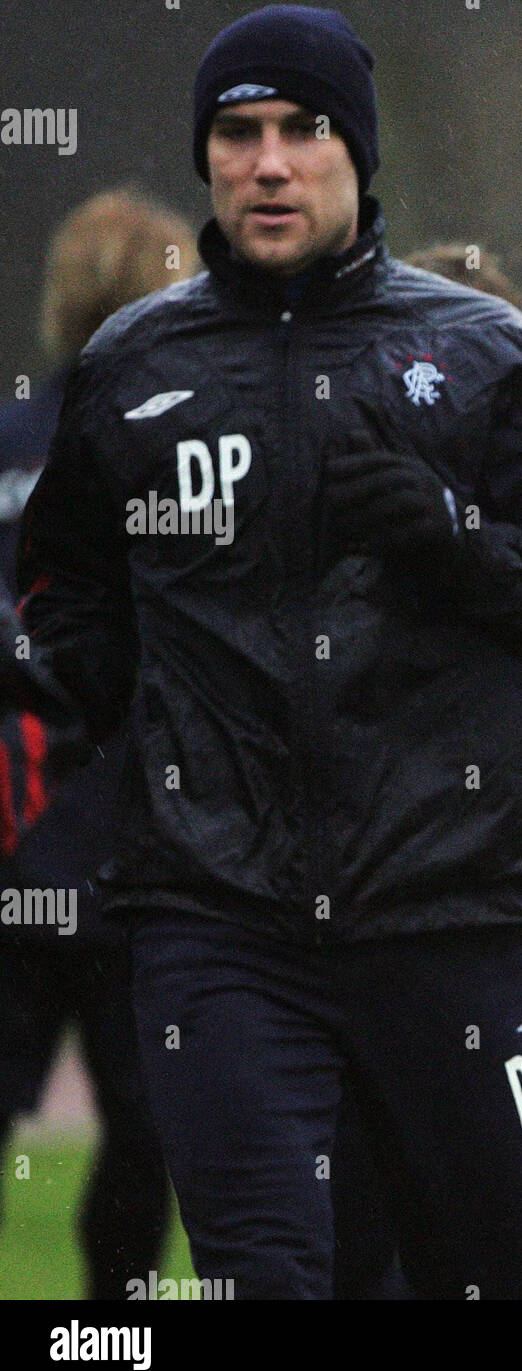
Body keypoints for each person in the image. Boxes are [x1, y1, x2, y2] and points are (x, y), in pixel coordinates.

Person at [8, 5, 522, 1300]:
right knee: (270, 1274)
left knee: (505, 1276)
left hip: (454, 915)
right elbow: (65, 616)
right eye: (238, 134)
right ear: (207, 159)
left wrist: (460, 539)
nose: (268, 162)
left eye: (302, 130)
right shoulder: (133, 370)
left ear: (358, 154)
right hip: (217, 922)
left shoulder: (480, 359)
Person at [0, 188, 195, 1300]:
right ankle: (114, 1323)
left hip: (17, 825)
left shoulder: (13, 437)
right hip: (139, 839)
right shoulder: (175, 449)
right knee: (147, 1115)